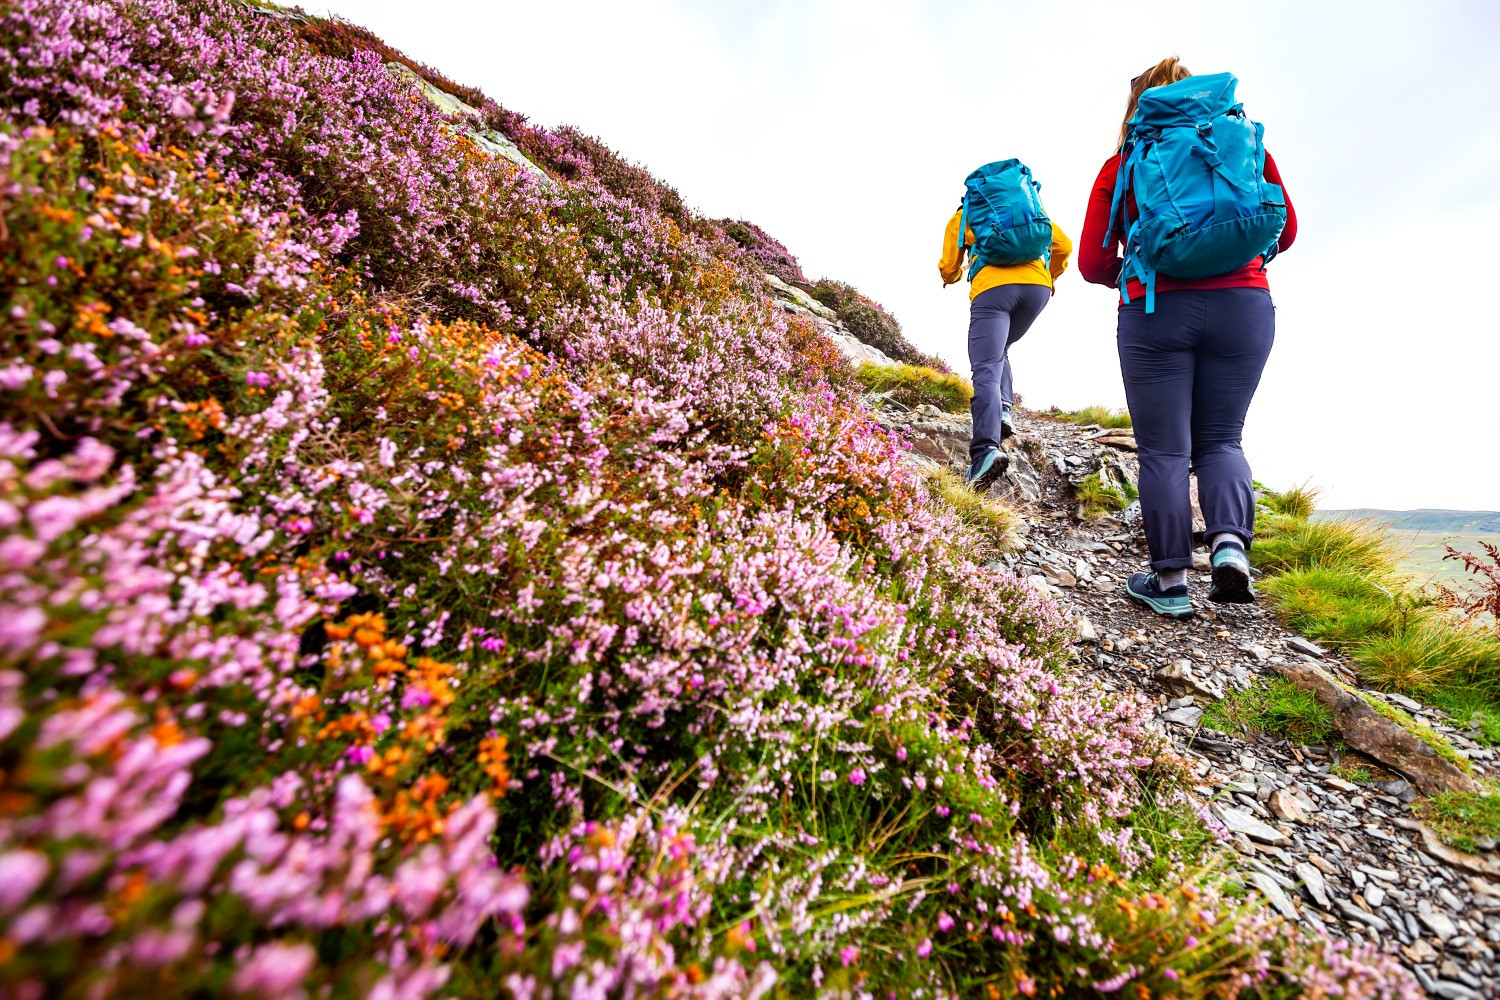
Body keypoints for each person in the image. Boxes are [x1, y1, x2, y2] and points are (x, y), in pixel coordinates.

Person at [1078, 57, 1298, 619]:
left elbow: (1091, 261)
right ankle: (1230, 547)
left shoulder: (1122, 163)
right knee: (1222, 440)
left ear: (1138, 106)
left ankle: (1171, 580)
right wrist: (1242, 263)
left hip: (1156, 310)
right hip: (1245, 305)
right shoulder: (1242, 141)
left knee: (1165, 449)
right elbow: (1287, 227)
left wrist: (1131, 272)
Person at [938, 179, 1072, 492]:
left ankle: (985, 449)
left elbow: (948, 266)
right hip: (1036, 289)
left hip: (993, 292)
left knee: (986, 366)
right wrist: (1050, 276)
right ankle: (1004, 409)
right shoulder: (1026, 210)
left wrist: (953, 275)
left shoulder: (967, 213)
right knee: (1000, 350)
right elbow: (1063, 246)